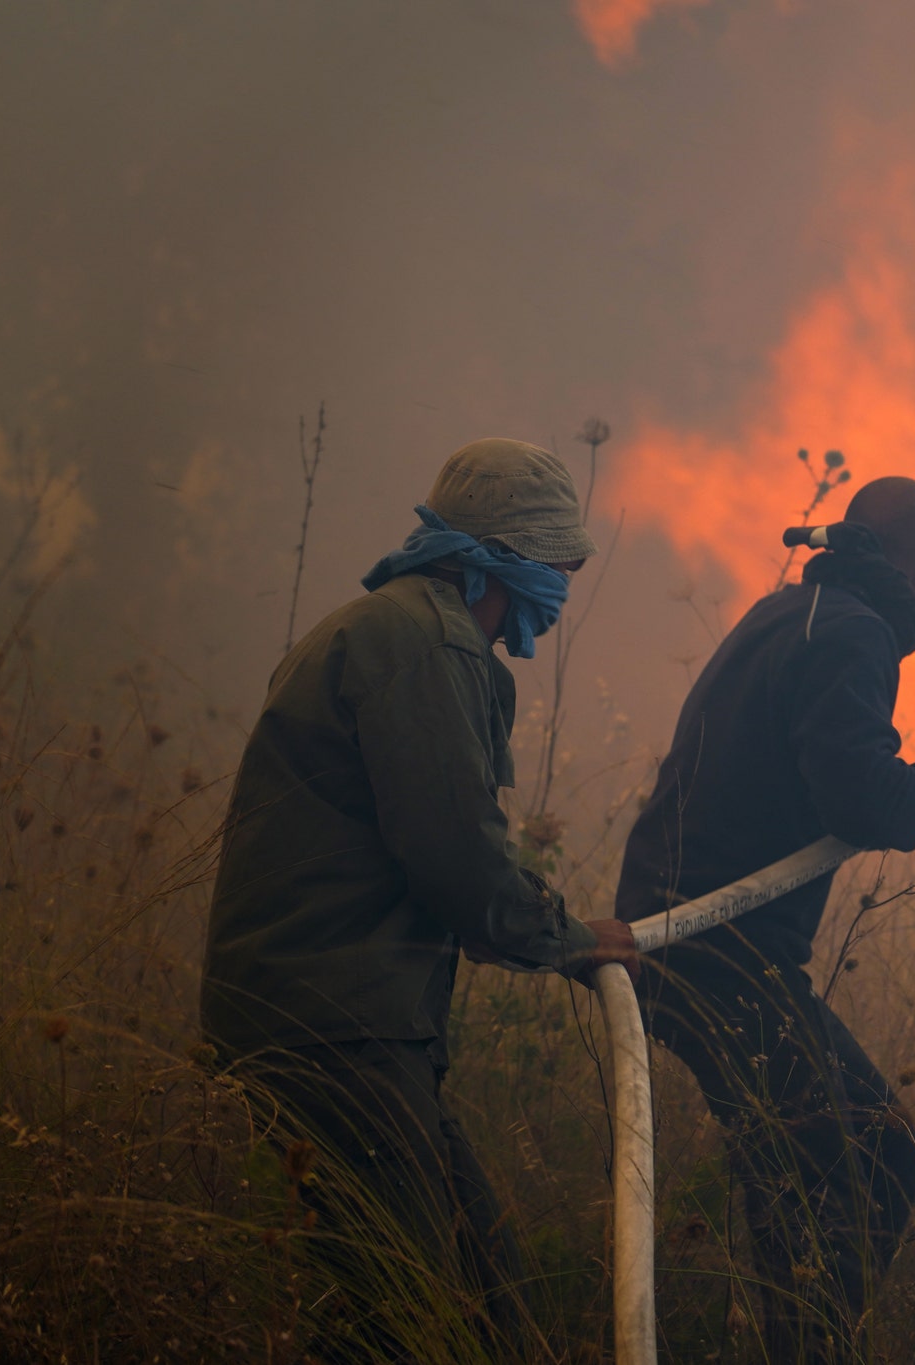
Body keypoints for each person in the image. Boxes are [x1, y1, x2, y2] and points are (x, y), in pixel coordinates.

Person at [202, 438, 639, 1360]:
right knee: (408, 1314)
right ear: (500, 560)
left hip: (333, 1019)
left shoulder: (381, 627)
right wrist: (568, 938)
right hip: (337, 1027)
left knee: (475, 1294)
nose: (559, 590)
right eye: (554, 567)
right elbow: (457, 860)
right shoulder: (427, 645)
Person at [614, 475, 915, 1362]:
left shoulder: (785, 613)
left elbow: (838, 773)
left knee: (822, 1164)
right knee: (861, 1164)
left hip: (689, 938)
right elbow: (863, 798)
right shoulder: (856, 634)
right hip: (714, 950)